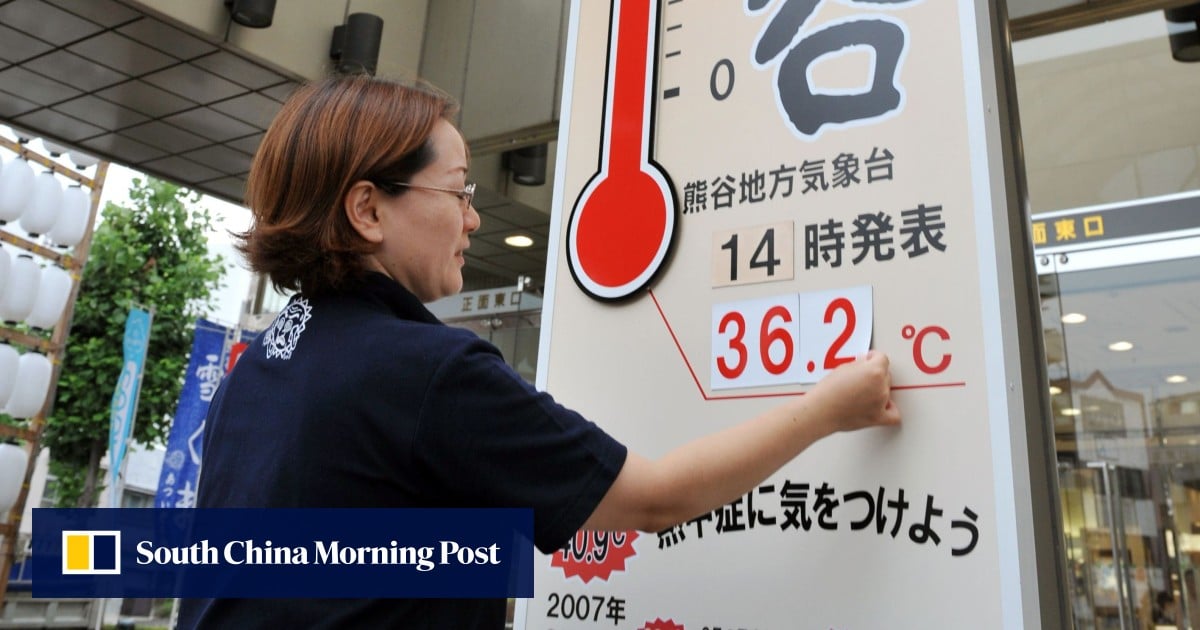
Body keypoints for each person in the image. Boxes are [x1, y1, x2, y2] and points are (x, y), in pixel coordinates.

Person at [177, 74, 900, 629]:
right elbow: (656, 498)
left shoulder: (261, 366)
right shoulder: (425, 373)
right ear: (368, 210)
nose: (473, 218)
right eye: (457, 192)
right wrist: (828, 410)